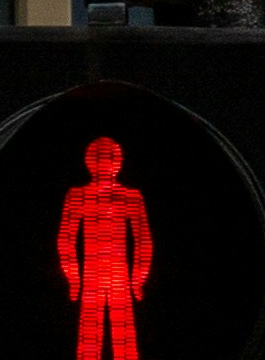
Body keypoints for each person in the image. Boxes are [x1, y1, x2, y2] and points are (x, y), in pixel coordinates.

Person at [56, 130, 154, 360]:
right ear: (89, 161)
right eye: (99, 159)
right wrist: (74, 279)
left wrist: (138, 279)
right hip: (94, 277)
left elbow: (143, 239)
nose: (103, 164)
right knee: (92, 341)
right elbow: (65, 239)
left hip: (116, 277)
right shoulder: (77, 196)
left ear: (118, 162)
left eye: (109, 158)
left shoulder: (131, 197)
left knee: (124, 343)